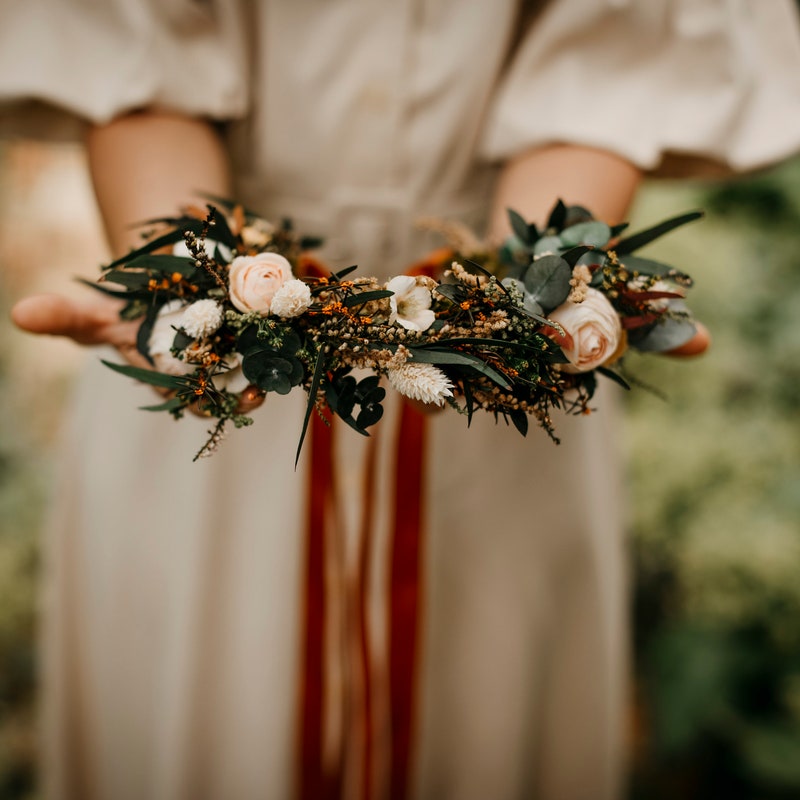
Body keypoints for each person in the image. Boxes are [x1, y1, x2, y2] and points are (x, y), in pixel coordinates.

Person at [3, 1, 799, 798]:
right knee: (213, 692)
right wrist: (194, 286)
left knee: (483, 694)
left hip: (496, 378)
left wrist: (537, 292)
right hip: (226, 363)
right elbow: (141, 63)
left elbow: (603, 67)